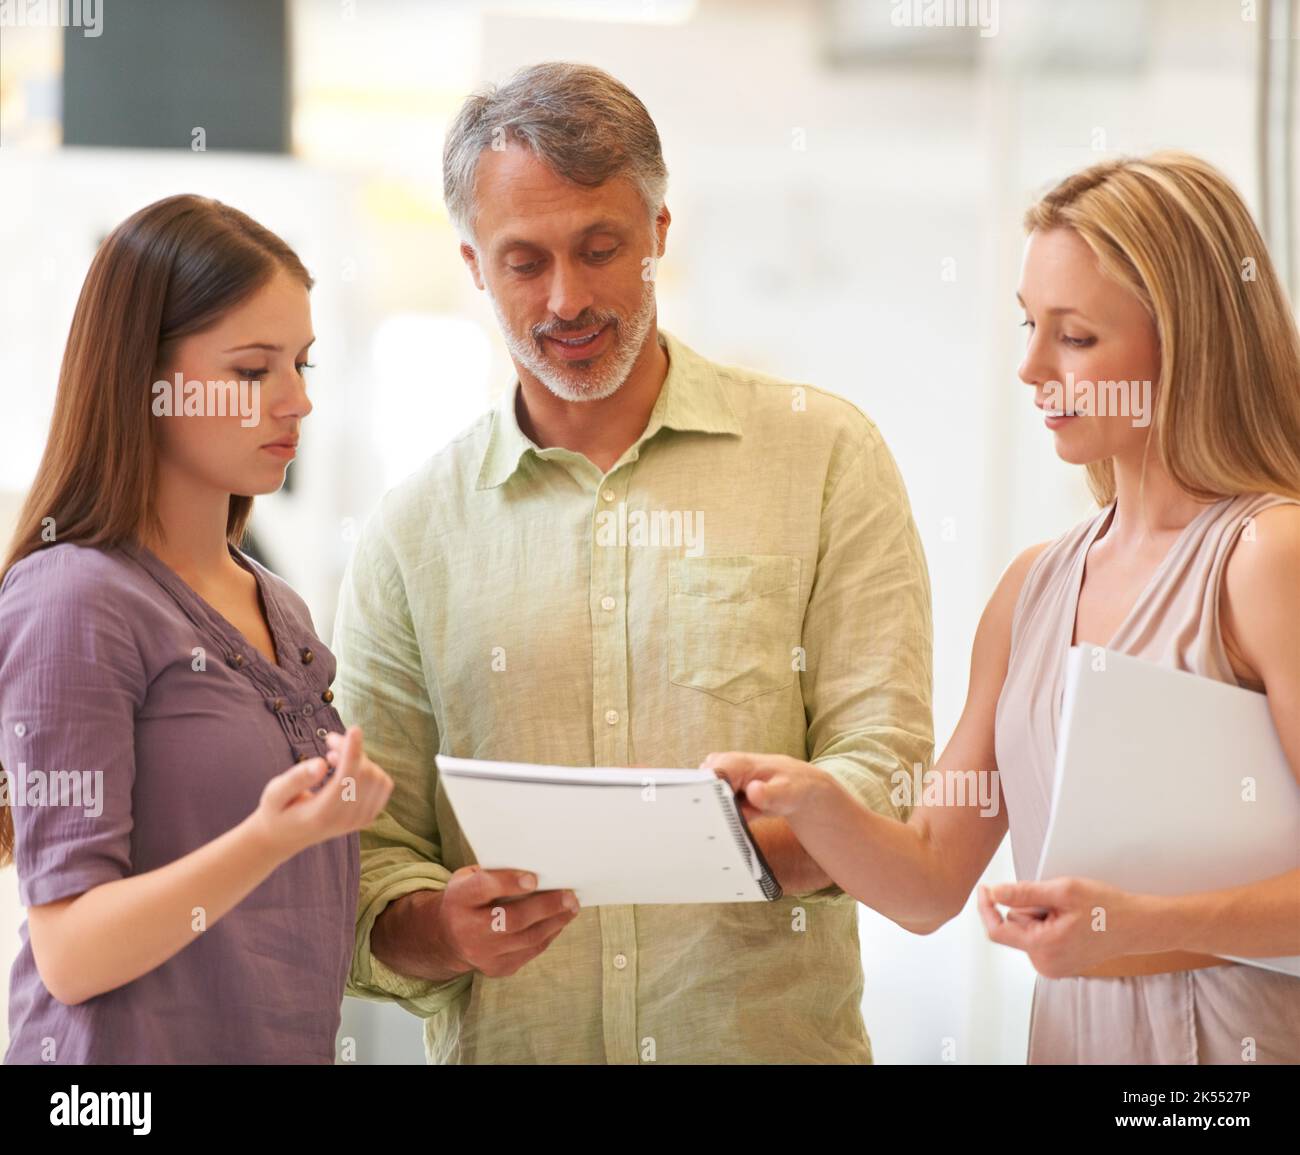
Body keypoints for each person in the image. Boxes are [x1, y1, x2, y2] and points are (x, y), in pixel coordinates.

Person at [333, 61, 934, 1064]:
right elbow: (367, 863)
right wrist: (446, 927)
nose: (566, 299)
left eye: (600, 248)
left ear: (659, 231)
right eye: (524, 262)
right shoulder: (411, 532)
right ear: (474, 267)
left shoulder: (825, 459)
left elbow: (887, 776)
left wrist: (727, 851)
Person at [708, 152, 1300, 1064]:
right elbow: (928, 880)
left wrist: (1139, 923)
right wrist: (819, 802)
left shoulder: (1268, 557)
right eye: (1030, 325)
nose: (1029, 367)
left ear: (1187, 342)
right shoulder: (1033, 588)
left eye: (1074, 335)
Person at [0, 194, 393, 1063]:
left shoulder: (278, 607)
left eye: (303, 365)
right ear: (145, 376)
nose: (296, 402)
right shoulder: (74, 598)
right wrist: (269, 836)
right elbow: (70, 952)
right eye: (254, 371)